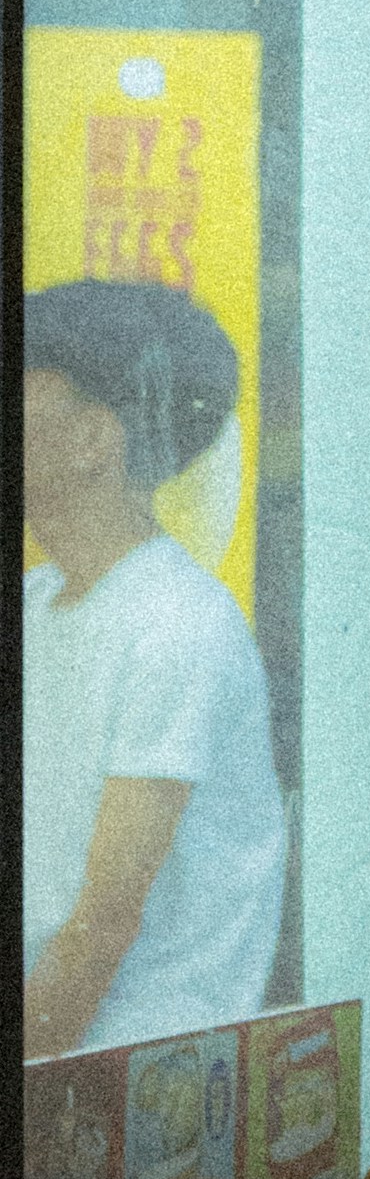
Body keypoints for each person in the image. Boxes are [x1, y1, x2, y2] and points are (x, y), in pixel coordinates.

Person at [22, 278, 287, 1062]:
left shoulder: (177, 625)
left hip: (131, 1084)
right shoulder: (36, 600)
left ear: (93, 440)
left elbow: (102, 927)